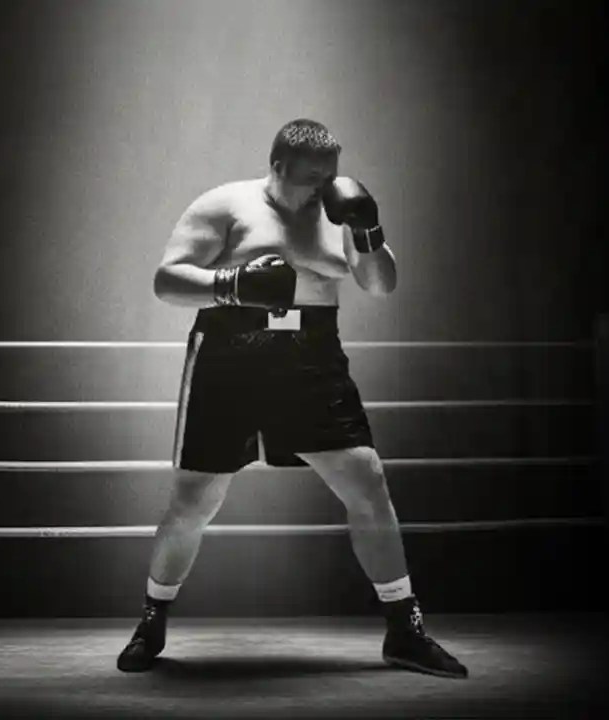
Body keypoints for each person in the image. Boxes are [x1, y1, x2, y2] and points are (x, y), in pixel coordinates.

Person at [118, 119, 467, 678]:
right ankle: (151, 619)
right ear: (278, 166)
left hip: (312, 354)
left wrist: (368, 229)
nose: (322, 189)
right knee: (194, 499)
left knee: (367, 480)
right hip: (231, 352)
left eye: (329, 177)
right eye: (310, 179)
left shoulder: (340, 211)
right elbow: (167, 281)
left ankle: (406, 630)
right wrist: (231, 284)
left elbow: (380, 285)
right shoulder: (224, 205)